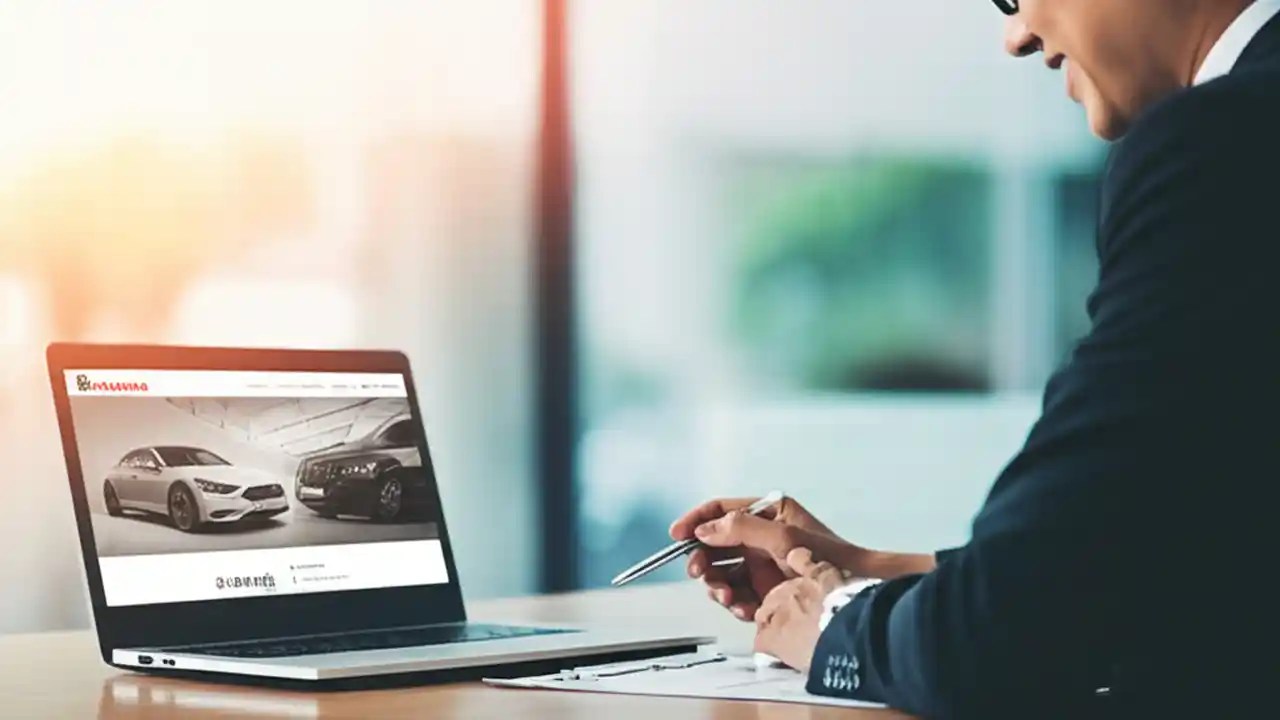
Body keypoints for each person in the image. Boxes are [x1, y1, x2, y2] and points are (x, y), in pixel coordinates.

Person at [671, 0, 1280, 715]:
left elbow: (993, 648)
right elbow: (1213, 556)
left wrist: (839, 628)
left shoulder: (1221, 142)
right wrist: (882, 572)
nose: (1017, 36)